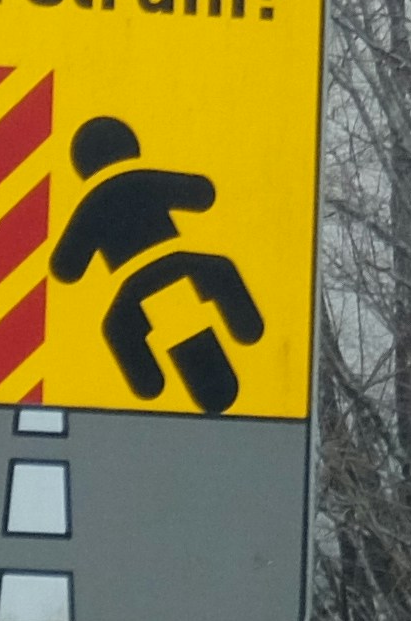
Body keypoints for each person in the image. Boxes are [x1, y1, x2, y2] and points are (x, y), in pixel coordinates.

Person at [50, 116, 264, 414]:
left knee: (117, 327)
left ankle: (148, 385)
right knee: (222, 271)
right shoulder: (145, 180)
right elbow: (203, 194)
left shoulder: (89, 207)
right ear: (129, 145)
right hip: (180, 263)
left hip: (135, 283)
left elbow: (66, 268)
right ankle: (247, 328)